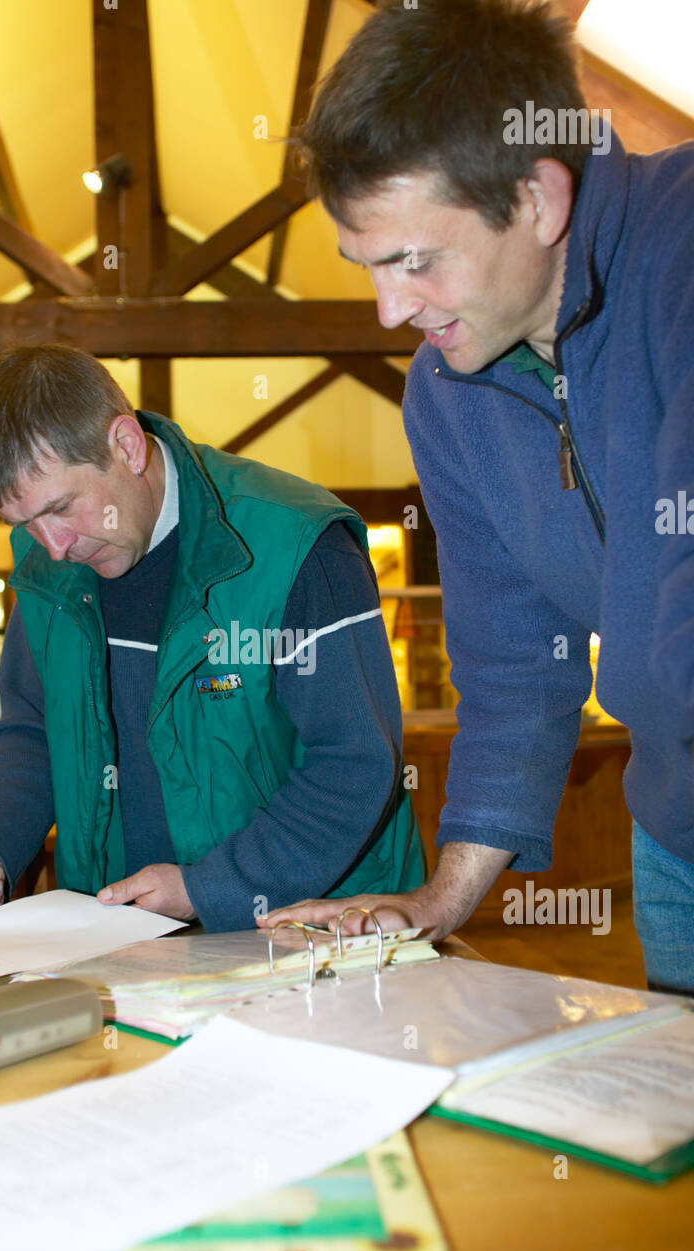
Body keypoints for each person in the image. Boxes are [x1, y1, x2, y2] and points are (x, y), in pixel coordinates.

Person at [257, 0, 694, 994]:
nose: (390, 309)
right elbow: (512, 669)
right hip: (676, 831)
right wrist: (437, 900)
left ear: (539, 198)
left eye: (414, 260)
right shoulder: (445, 394)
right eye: (365, 267)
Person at [0, 345, 424, 935]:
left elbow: (354, 766)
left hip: (316, 931)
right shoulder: (47, 560)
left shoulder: (298, 544)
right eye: (25, 523)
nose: (52, 546)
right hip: (124, 939)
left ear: (127, 446)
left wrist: (208, 888)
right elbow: (35, 735)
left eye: (61, 508)